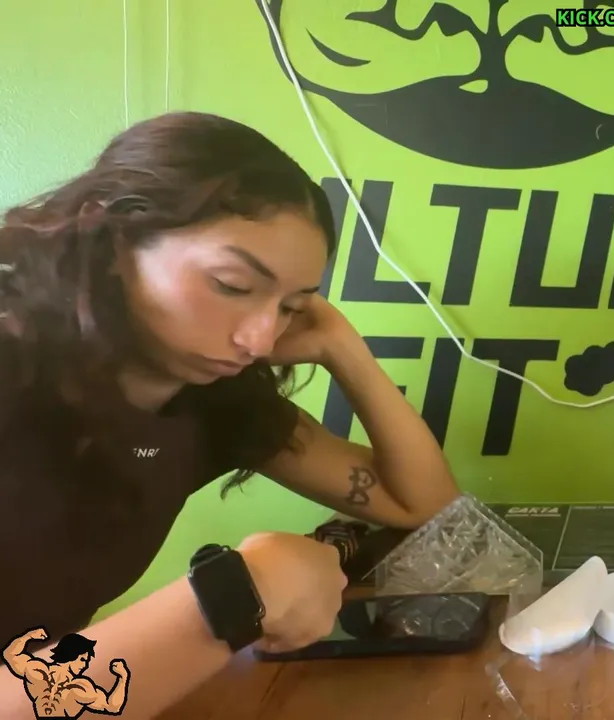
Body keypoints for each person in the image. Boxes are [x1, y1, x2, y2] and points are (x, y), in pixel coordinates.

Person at [0, 112, 460, 718]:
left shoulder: (210, 399)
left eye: (291, 307)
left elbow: (422, 504)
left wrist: (343, 348)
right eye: (232, 284)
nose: (260, 339)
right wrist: (234, 598)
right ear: (109, 238)